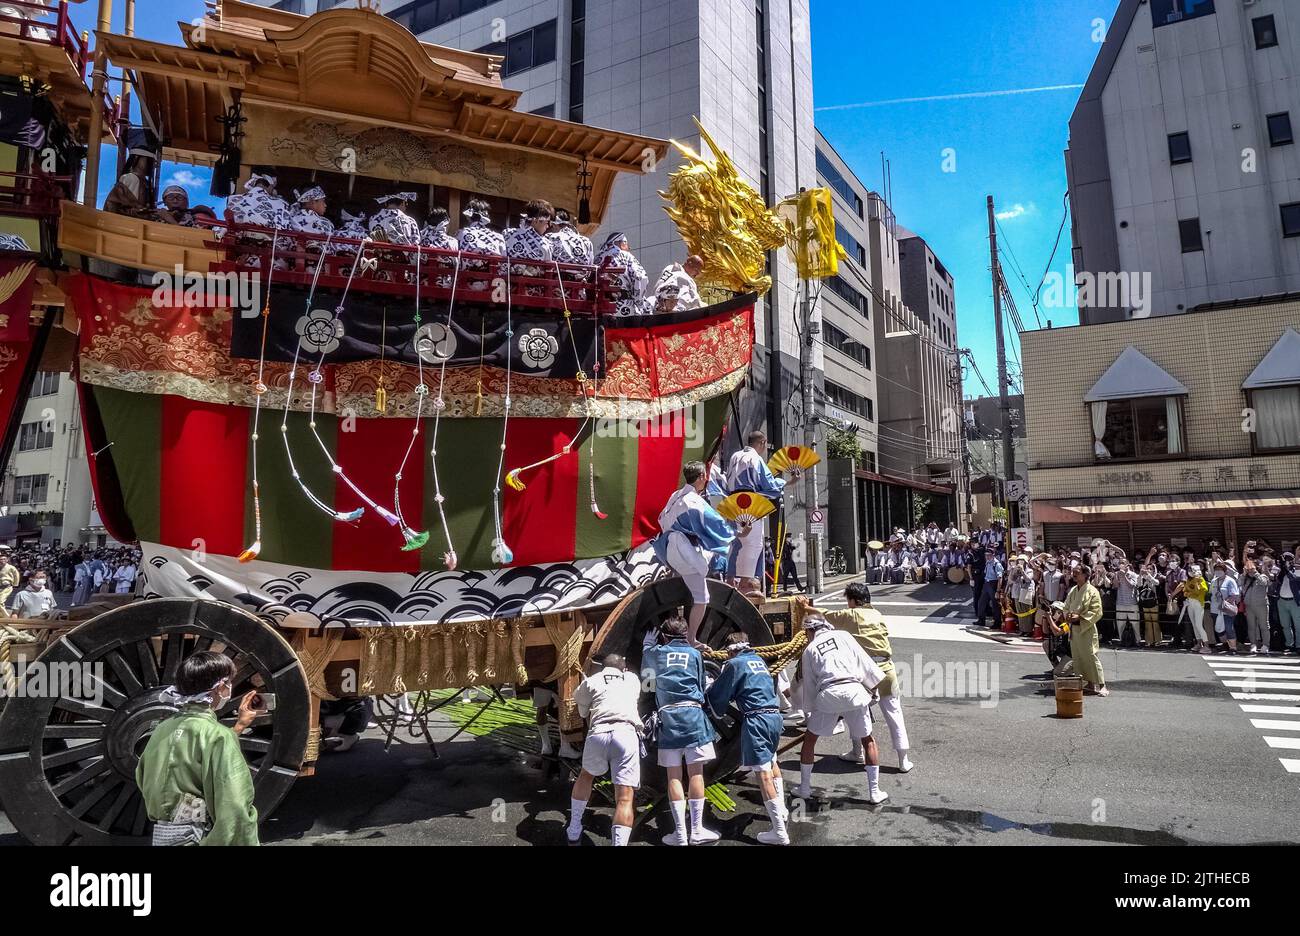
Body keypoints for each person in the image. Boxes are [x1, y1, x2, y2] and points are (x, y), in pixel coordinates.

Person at [135, 651, 264, 845]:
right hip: (197, 835)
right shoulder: (218, 736)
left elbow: (145, 776)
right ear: (220, 687)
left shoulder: (162, 729)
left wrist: (239, 726)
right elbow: (235, 807)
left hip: (163, 835)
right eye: (229, 683)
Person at [793, 609, 889, 804]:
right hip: (854, 690)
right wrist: (873, 690)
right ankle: (874, 792)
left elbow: (810, 685)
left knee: (810, 740)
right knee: (867, 740)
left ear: (809, 632)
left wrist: (810, 710)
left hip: (827, 693)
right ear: (825, 625)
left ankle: (804, 788)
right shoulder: (844, 636)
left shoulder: (810, 650)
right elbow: (865, 663)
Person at [706, 632, 788, 845]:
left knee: (763, 776)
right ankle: (783, 810)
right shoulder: (758, 660)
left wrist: (708, 687)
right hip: (775, 717)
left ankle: (779, 831)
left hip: (757, 719)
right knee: (772, 762)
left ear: (731, 650)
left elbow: (718, 698)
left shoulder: (734, 664)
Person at [645, 612, 719, 846]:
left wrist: (647, 647)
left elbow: (647, 682)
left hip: (669, 719)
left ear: (664, 637)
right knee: (696, 773)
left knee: (674, 776)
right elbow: (699, 684)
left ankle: (680, 834)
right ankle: (697, 830)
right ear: (685, 634)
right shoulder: (695, 654)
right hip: (694, 717)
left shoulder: (656, 653)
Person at [825, 582, 913, 772]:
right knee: (894, 714)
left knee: (854, 710)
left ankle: (857, 752)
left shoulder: (851, 615)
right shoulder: (877, 614)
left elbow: (821, 613)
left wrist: (804, 605)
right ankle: (903, 760)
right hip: (887, 670)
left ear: (854, 601)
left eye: (848, 600)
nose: (847, 604)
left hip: (865, 673)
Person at [651, 461, 735, 646]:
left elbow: (661, 519)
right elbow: (716, 524)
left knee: (684, 584)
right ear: (700, 478)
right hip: (684, 551)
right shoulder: (694, 502)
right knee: (702, 597)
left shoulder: (675, 495)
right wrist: (734, 532)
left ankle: (677, 630)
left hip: (670, 548)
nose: (706, 479)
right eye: (704, 476)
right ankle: (691, 638)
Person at [566, 652, 643, 846]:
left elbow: (581, 707)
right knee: (625, 797)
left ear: (602, 667)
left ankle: (574, 829)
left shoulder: (593, 680)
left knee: (586, 776)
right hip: (626, 733)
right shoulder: (632, 679)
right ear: (623, 668)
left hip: (599, 731)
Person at [724, 430, 787, 595]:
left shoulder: (734, 457)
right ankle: (745, 585)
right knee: (754, 544)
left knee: (736, 542)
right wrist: (784, 482)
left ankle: (731, 580)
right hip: (750, 503)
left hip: (732, 503)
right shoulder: (756, 459)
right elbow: (769, 485)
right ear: (763, 443)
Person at [225, 172, 291, 267]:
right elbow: (283, 233)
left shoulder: (234, 199)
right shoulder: (280, 203)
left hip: (237, 254)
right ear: (269, 186)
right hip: (267, 258)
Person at [1063, 563, 1108, 696]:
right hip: (1074, 629)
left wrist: (1080, 617)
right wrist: (1067, 615)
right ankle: (1088, 683)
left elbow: (1097, 611)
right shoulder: (1073, 590)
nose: (1074, 574)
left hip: (1086, 627)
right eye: (1073, 571)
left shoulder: (1092, 590)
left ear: (1085, 575)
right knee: (1078, 657)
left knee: (1091, 656)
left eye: (1077, 572)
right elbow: (1066, 606)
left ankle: (1102, 685)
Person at [457, 198, 506, 291]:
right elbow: (504, 262)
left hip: (466, 284)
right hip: (492, 286)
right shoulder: (498, 237)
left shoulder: (461, 233)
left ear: (468, 216)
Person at [596, 232, 650, 315]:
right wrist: (639, 301)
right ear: (621, 243)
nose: (629, 247)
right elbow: (641, 277)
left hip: (600, 308)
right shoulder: (626, 256)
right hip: (624, 306)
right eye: (627, 244)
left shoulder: (597, 258)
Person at [103, 149, 160, 218]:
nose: (150, 163)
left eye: (152, 161)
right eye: (146, 159)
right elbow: (120, 205)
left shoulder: (146, 183)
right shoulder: (131, 177)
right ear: (136, 158)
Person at [286, 185, 335, 254]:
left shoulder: (289, 217)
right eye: (323, 201)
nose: (325, 205)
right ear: (312, 201)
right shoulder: (324, 223)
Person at [1240, 559, 1271, 655]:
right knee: (1251, 626)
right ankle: (1253, 644)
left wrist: (1255, 573)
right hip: (1249, 606)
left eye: (1251, 568)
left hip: (1261, 605)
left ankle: (1265, 645)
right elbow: (1239, 583)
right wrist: (1244, 574)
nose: (1250, 571)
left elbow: (1264, 583)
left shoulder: (1263, 576)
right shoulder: (1245, 578)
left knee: (1264, 626)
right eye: (1249, 569)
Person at [1209, 560, 1241, 654]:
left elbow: (1234, 595)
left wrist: (1225, 602)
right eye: (1216, 570)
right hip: (1215, 608)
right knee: (1218, 628)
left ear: (1225, 571)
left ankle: (1233, 647)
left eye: (1220, 569)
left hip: (1227, 608)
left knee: (1229, 628)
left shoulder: (1230, 581)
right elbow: (1211, 593)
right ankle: (1225, 644)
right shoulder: (1214, 581)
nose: (1218, 571)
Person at [1275, 552, 1300, 655]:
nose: (1287, 562)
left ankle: (1298, 645)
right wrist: (1282, 568)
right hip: (1282, 601)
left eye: (1289, 559)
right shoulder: (1282, 572)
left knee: (1298, 625)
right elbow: (1278, 580)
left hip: (1294, 602)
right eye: (1285, 559)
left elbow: (1293, 579)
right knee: (1285, 625)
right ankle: (1289, 644)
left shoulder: (1298, 571)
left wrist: (1286, 568)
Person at [1111, 560, 1140, 648]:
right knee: (1120, 623)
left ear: (1127, 564)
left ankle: (1138, 640)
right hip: (1120, 602)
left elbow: (1132, 586)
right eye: (1120, 563)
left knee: (1135, 623)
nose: (1121, 564)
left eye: (1123, 563)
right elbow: (1115, 586)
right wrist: (1116, 575)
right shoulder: (1117, 574)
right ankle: (1121, 640)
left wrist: (1124, 576)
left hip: (1132, 603)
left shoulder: (1133, 574)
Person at [973, 546, 1004, 628]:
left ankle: (997, 622)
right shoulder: (987, 562)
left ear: (993, 555)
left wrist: (997, 591)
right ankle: (981, 620)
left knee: (995, 605)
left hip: (993, 584)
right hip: (986, 584)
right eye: (986, 555)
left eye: (989, 555)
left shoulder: (997, 564)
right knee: (981, 602)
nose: (987, 557)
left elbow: (1000, 578)